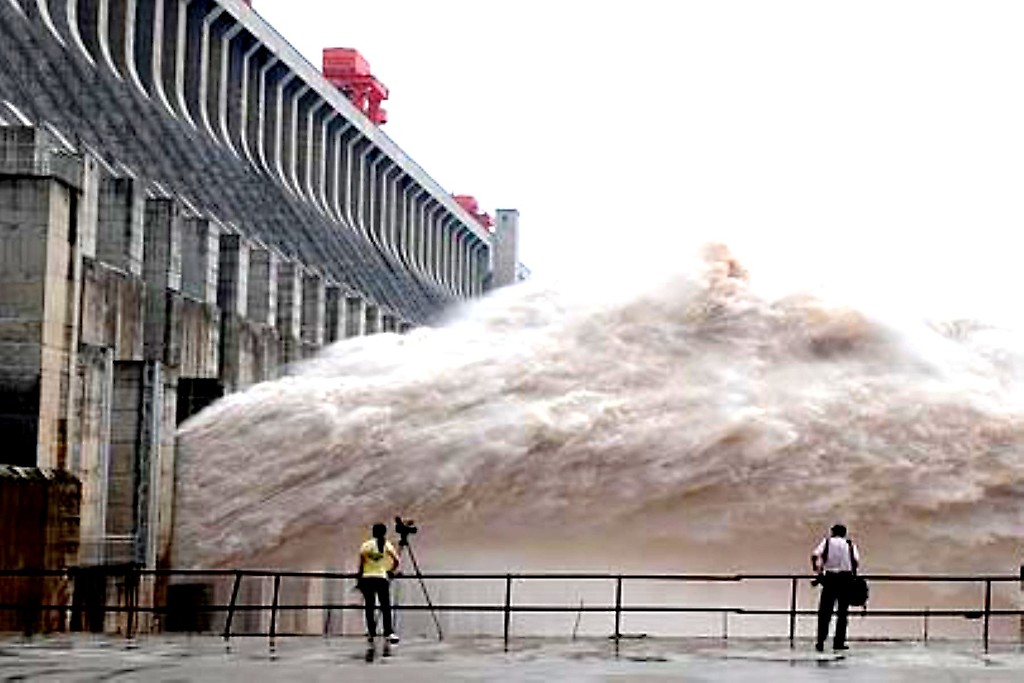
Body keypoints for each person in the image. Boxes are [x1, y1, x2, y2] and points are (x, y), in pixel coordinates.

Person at [810, 523, 861, 652]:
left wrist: (817, 570)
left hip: (830, 579)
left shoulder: (827, 542)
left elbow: (815, 555)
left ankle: (820, 641)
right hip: (845, 579)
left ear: (832, 532)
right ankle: (839, 643)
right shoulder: (850, 544)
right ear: (844, 533)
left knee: (825, 612)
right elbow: (856, 561)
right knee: (842, 614)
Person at [357, 523, 401, 644]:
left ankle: (371, 632)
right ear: (384, 532)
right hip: (381, 578)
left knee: (369, 606)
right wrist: (390, 571)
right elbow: (397, 561)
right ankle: (388, 632)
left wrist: (359, 579)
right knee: (385, 606)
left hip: (367, 578)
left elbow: (361, 564)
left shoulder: (365, 545)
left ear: (373, 532)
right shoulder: (387, 544)